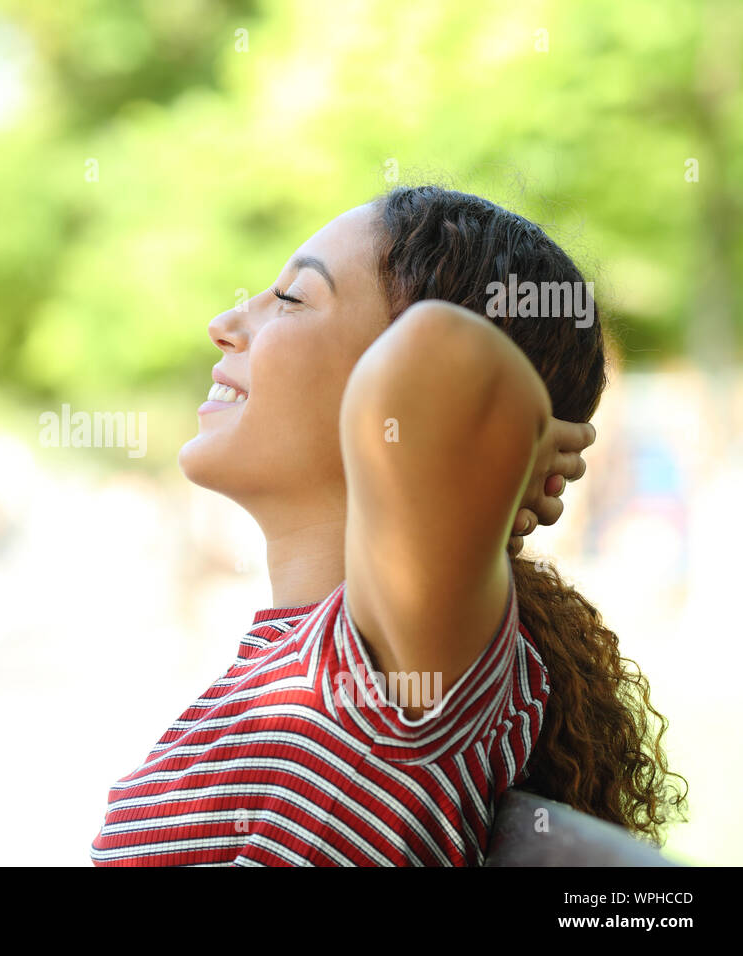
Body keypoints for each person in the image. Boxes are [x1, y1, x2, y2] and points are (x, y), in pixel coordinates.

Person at [90, 185, 688, 866]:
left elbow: (441, 353)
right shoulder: (307, 661)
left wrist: (493, 433)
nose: (225, 322)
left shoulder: (396, 668)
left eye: (291, 299)